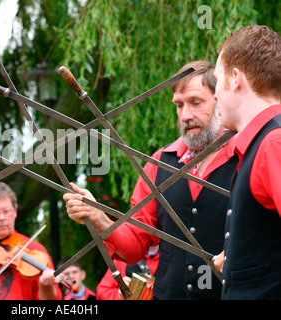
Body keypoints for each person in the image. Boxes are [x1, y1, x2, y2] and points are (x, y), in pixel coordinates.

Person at [63, 60, 239, 299]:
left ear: (220, 100)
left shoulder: (245, 154)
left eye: (196, 103)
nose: (186, 115)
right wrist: (98, 217)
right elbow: (135, 244)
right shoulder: (159, 162)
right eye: (179, 105)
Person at [211, 25, 281, 299]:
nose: (215, 93)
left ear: (235, 78)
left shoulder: (273, 143)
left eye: (217, 79)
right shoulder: (262, 143)